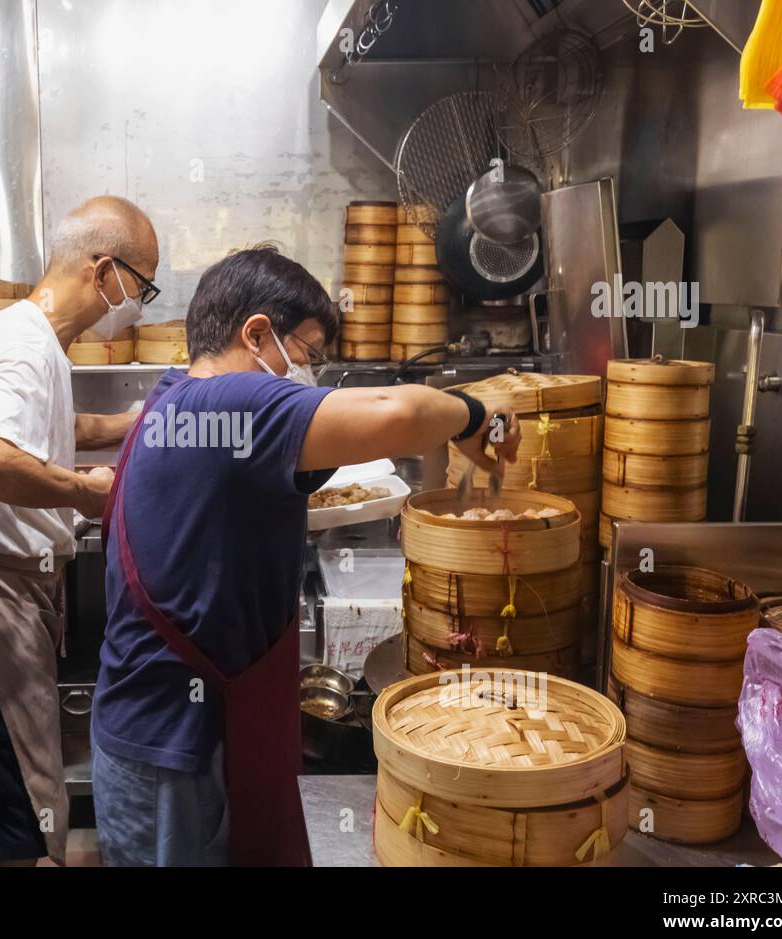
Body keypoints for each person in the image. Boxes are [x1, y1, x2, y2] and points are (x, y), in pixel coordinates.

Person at [91, 245, 521, 866]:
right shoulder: (231, 401)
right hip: (171, 746)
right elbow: (395, 410)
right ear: (258, 333)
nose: (310, 373)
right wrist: (477, 414)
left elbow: (314, 454)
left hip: (163, 729)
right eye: (311, 356)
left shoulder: (177, 400)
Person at [0, 195, 156, 865]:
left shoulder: (26, 335)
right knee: (27, 784)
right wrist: (83, 493)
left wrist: (133, 422)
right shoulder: (27, 349)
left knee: (15, 766)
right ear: (103, 272)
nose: (138, 304)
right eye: (140, 284)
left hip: (9, 583)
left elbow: (47, 430)